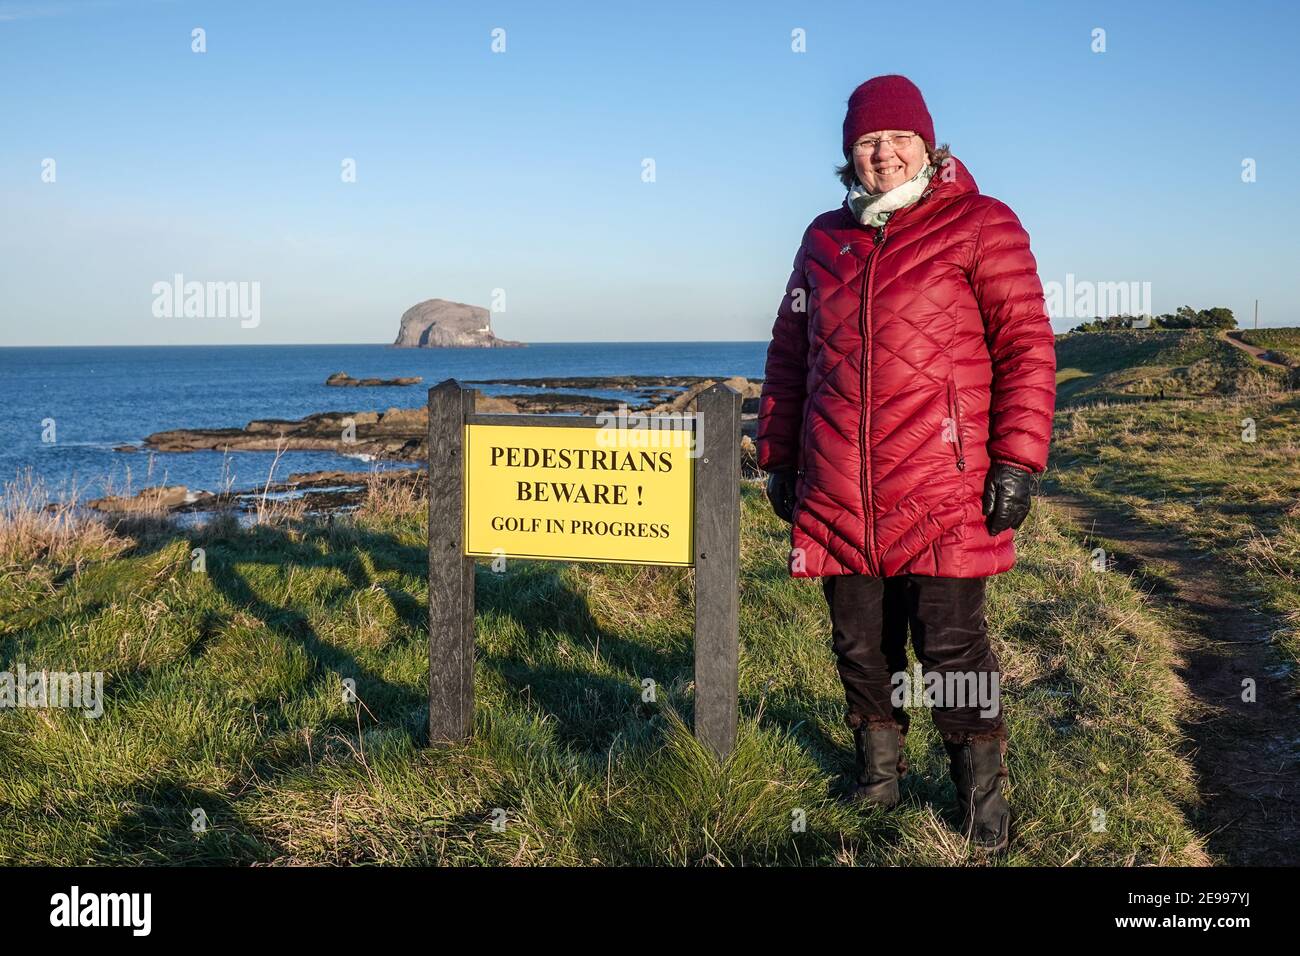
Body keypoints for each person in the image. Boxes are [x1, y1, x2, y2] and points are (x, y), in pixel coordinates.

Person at [756, 74, 1057, 852]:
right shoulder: (824, 239)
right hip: (837, 484)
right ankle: (879, 781)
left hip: (945, 482)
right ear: (848, 155)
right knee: (859, 643)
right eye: (866, 142)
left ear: (928, 145)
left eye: (896, 139)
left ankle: (980, 802)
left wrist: (1018, 459)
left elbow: (1025, 345)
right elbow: (790, 355)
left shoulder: (981, 224)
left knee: (951, 645)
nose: (882, 153)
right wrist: (778, 454)